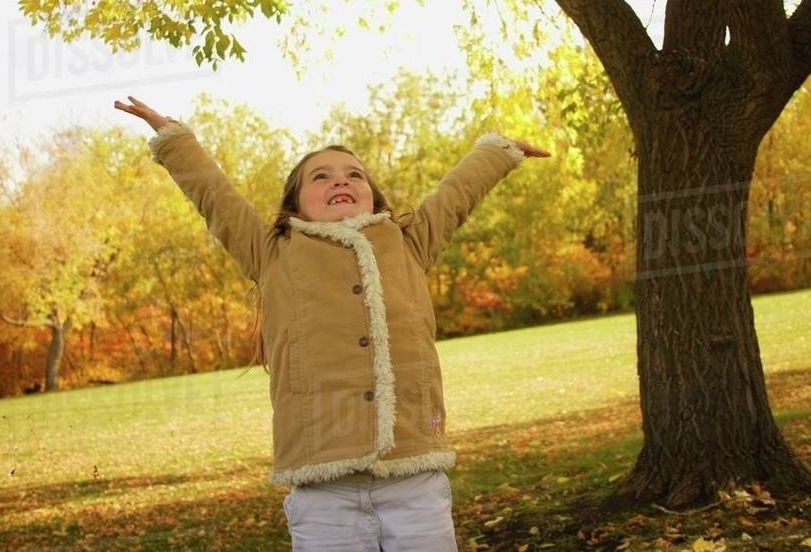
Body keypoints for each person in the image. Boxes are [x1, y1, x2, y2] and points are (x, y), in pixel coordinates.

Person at [113, 95, 549, 551]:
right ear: (296, 205)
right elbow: (215, 196)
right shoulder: (272, 252)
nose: (339, 180)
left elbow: (457, 194)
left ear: (372, 196)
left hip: (414, 475)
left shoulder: (408, 243)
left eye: (353, 174)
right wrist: (174, 140)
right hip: (324, 490)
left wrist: (498, 152)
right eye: (320, 177)